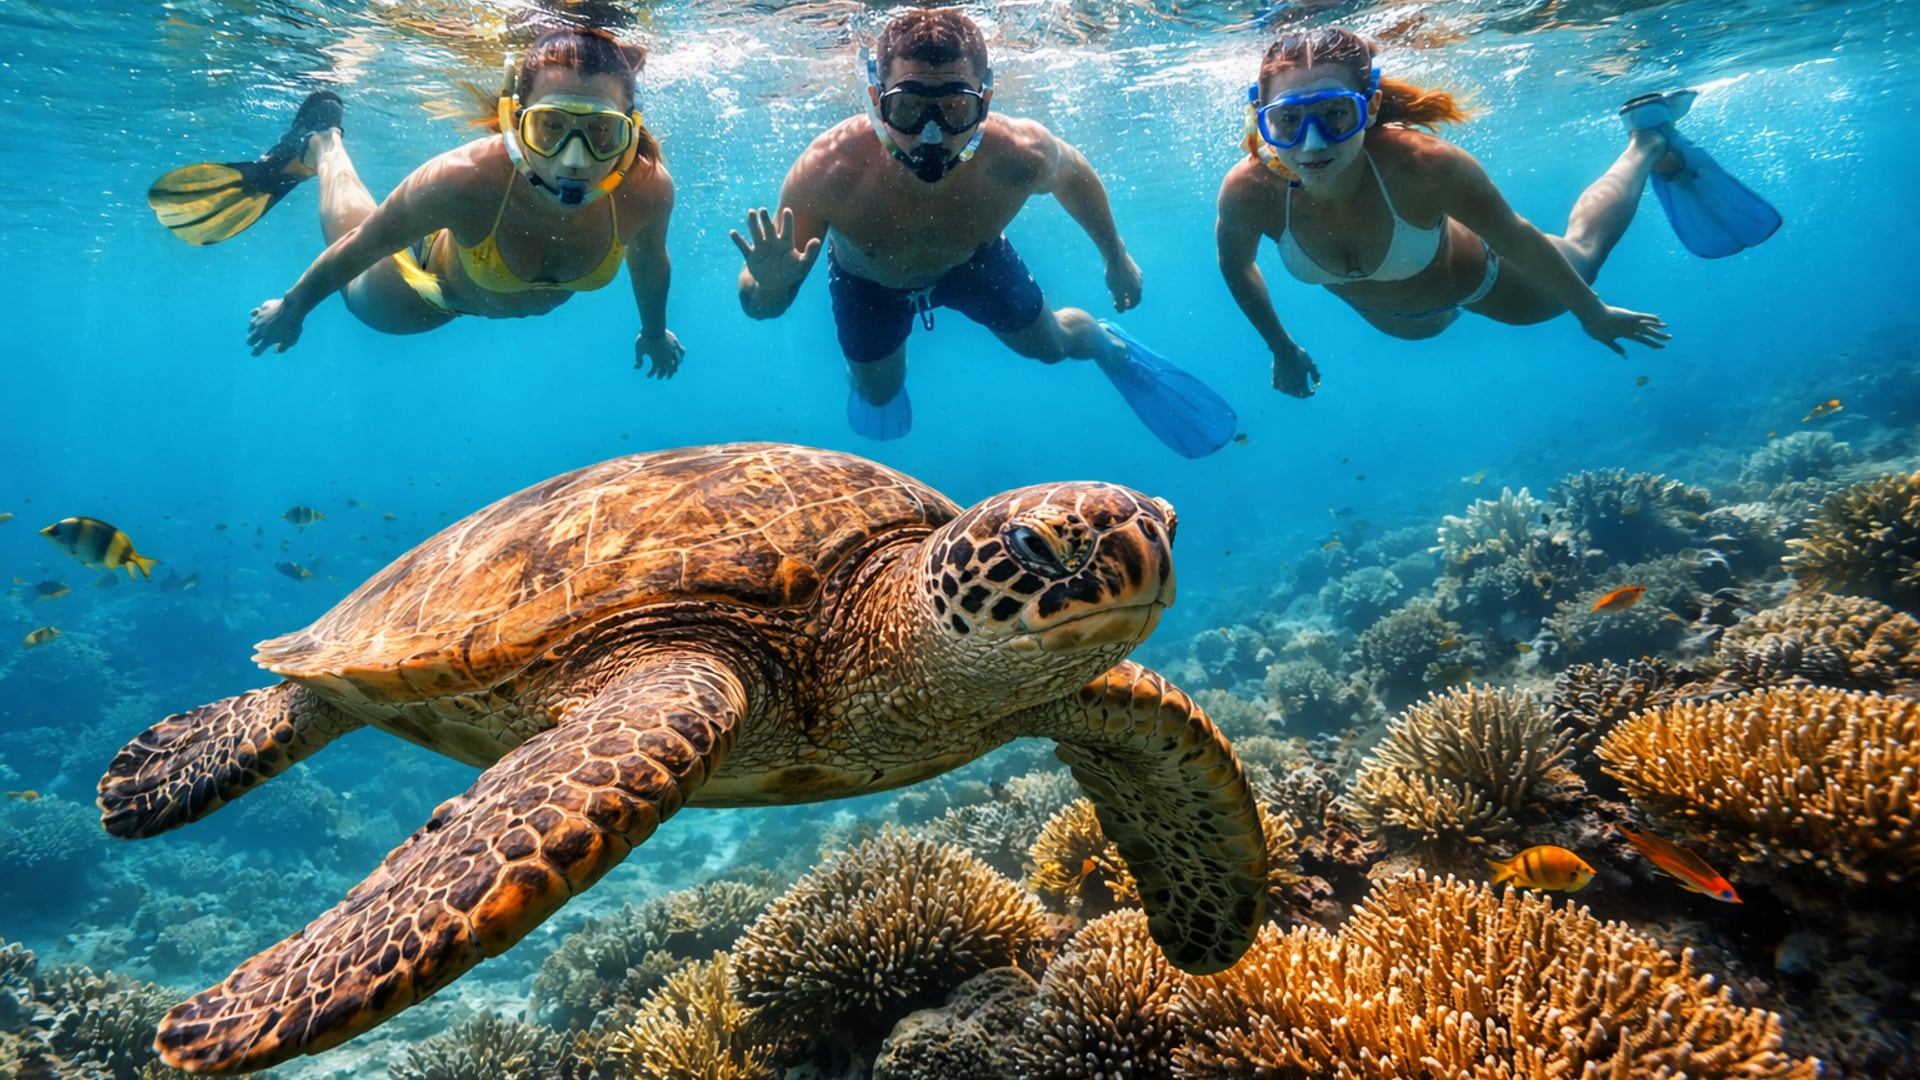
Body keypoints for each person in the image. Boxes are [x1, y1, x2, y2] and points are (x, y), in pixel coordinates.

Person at [730, 8, 1234, 456]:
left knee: (1051, 348)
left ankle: (1105, 344)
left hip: (973, 263)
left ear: (986, 101)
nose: (932, 134)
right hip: (869, 285)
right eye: (907, 108)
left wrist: (1115, 255)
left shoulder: (1019, 151)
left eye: (955, 110)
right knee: (877, 393)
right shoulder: (826, 171)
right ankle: (871, 378)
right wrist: (770, 284)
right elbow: (761, 308)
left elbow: (1074, 176)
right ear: (874, 99)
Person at [1216, 27, 1777, 399]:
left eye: (1337, 115)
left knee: (1585, 249)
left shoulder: (1424, 165)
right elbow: (1237, 267)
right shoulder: (1248, 191)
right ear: (1262, 117)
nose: (1313, 145)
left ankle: (1647, 144)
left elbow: (1516, 236)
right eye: (1288, 121)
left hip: (1493, 284)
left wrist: (1592, 311)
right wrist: (1281, 348)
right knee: (1428, 331)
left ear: (1372, 108)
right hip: (1407, 324)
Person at [148, 27, 683, 375]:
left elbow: (650, 261)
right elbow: (363, 245)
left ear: (631, 131)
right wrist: (292, 308)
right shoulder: (464, 180)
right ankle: (323, 142)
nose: (574, 160)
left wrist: (655, 333)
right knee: (361, 266)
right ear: (514, 125)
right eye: (550, 129)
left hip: (476, 289)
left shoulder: (648, 189)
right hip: (422, 295)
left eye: (602, 135)